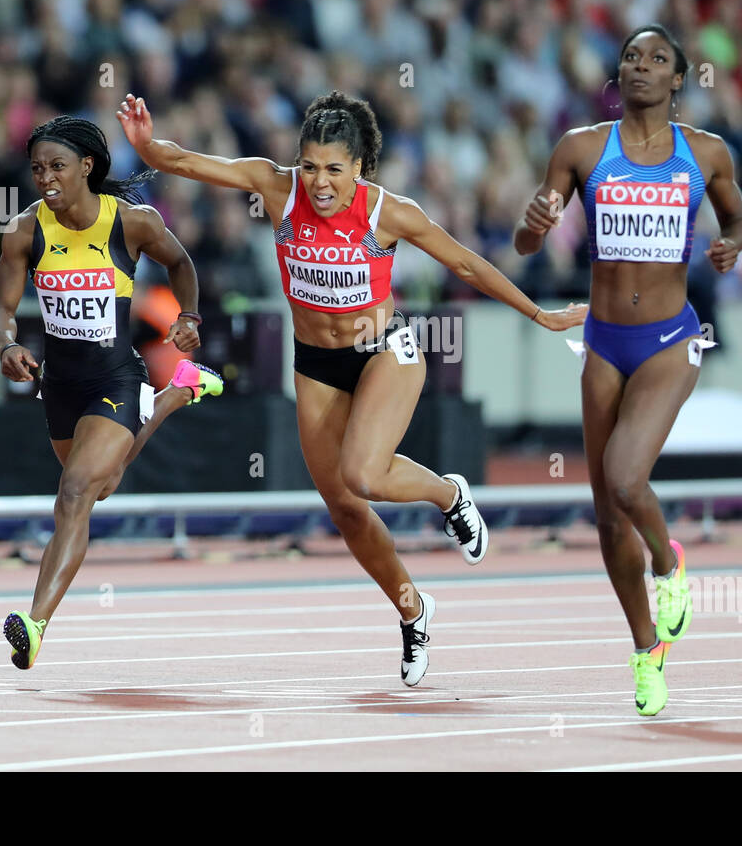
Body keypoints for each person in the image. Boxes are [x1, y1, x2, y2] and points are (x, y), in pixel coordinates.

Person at [117, 89, 586, 686]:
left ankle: (449, 496)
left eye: (334, 170)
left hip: (385, 350)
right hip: (315, 362)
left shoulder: (389, 212)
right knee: (344, 505)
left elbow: (466, 264)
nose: (319, 183)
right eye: (309, 166)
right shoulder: (275, 187)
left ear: (359, 167)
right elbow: (188, 163)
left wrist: (539, 315)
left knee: (364, 474)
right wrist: (146, 146)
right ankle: (413, 609)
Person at [516, 24, 742, 716]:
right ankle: (647, 652)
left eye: (656, 59)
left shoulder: (705, 153)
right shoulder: (582, 149)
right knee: (605, 519)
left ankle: (670, 565)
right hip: (603, 342)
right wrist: (533, 224)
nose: (639, 66)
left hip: (669, 340)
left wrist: (730, 246)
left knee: (625, 478)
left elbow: (738, 220)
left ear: (677, 79)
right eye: (630, 56)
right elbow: (528, 241)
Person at [0, 115, 224, 670]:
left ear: (87, 167)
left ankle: (35, 623)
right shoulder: (25, 229)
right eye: (38, 168)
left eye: (57, 166)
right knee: (101, 486)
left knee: (73, 494)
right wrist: (5, 347)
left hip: (117, 377)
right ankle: (177, 394)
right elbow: (0, 309)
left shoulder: (131, 222)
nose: (45, 177)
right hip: (61, 385)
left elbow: (181, 263)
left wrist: (188, 315)